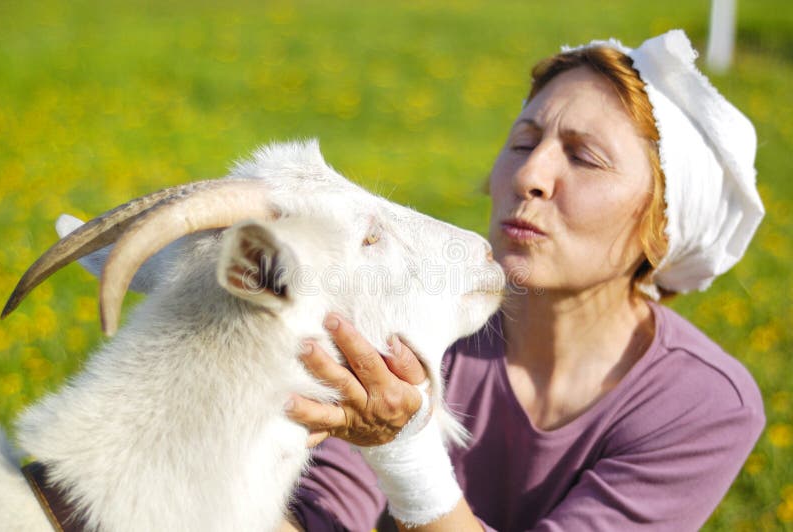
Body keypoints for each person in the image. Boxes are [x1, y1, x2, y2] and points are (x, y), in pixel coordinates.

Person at [280, 30, 766, 531]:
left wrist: (403, 444)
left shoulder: (702, 404)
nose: (529, 173)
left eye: (584, 158)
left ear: (662, 229)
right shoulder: (409, 309)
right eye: (523, 141)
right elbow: (321, 512)